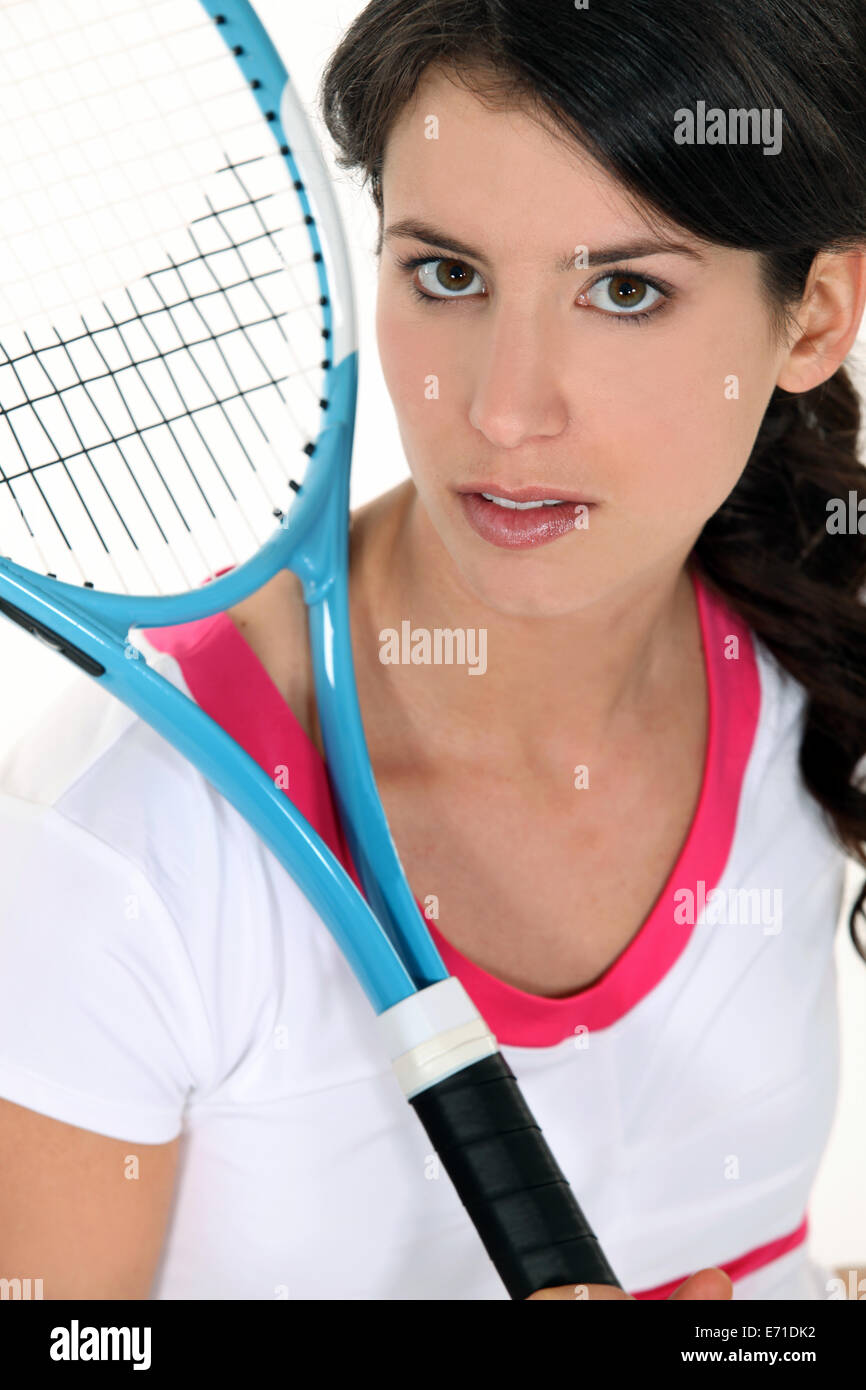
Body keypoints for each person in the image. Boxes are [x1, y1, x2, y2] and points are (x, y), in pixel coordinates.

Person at [1, 0, 865, 1301]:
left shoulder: (806, 643)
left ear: (810, 321)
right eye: (447, 275)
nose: (502, 409)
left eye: (623, 289)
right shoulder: (117, 840)